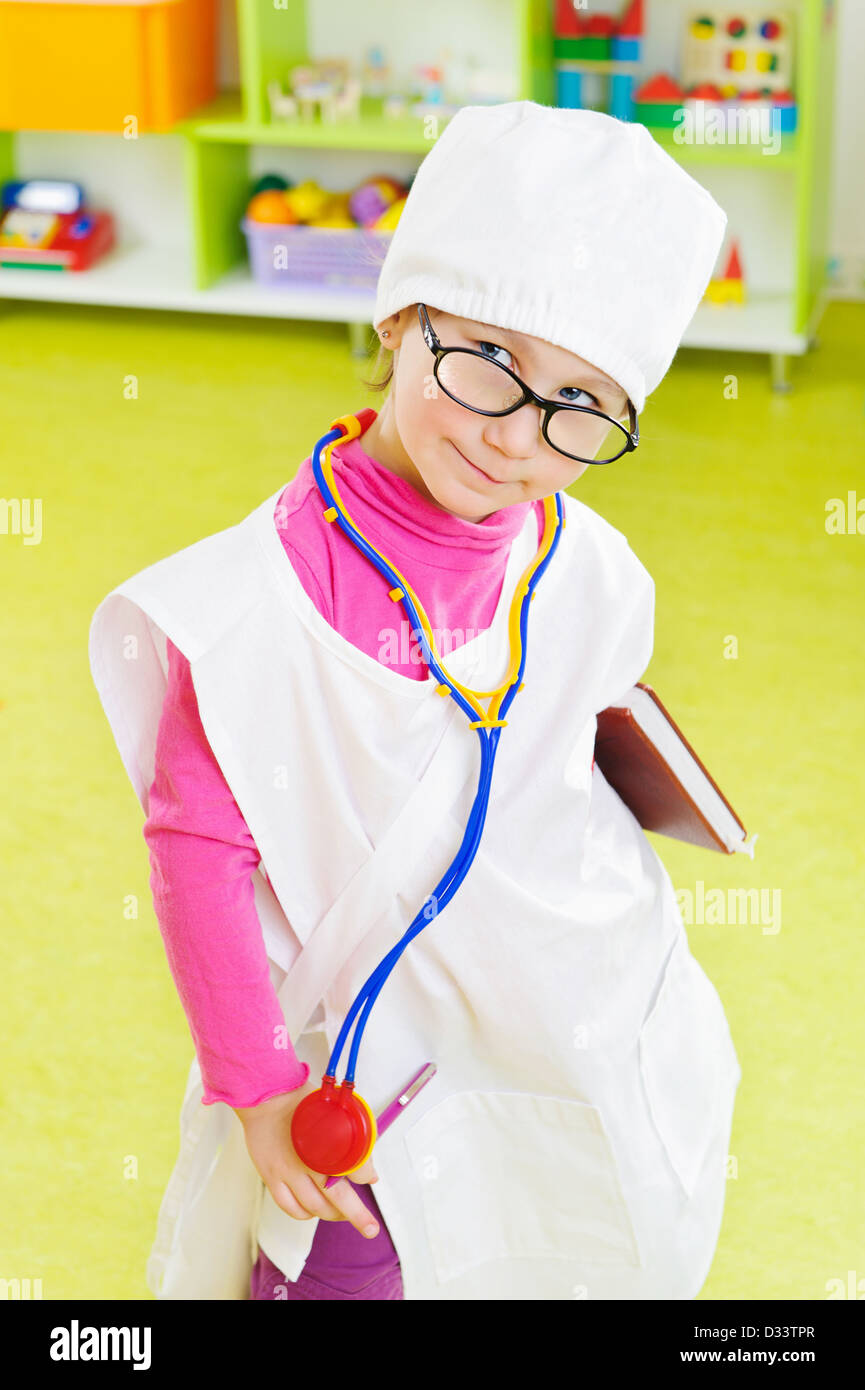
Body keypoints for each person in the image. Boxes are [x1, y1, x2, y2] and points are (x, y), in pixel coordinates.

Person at [89, 101, 742, 1301]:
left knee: (560, 1236)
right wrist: (256, 1085)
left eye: (580, 405)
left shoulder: (586, 560)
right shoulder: (244, 614)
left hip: (565, 1012)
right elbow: (196, 857)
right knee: (358, 1261)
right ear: (398, 318)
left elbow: (575, 741)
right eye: (487, 362)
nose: (515, 437)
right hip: (370, 1055)